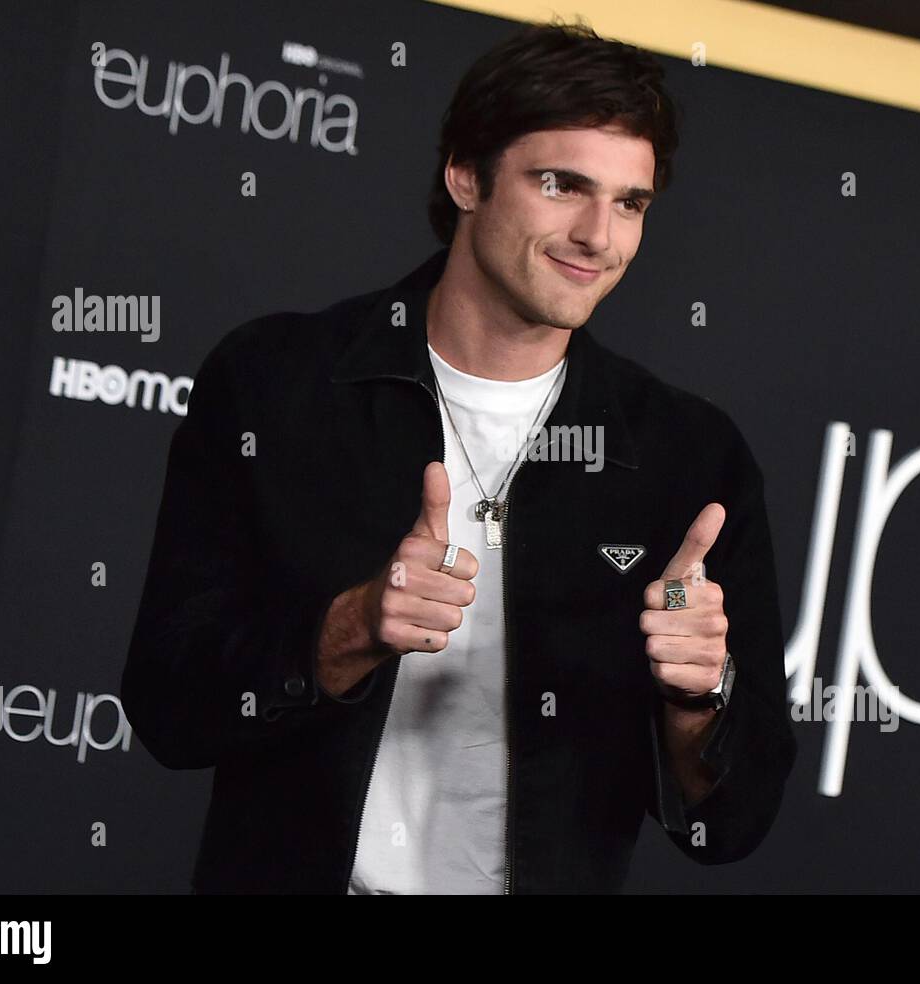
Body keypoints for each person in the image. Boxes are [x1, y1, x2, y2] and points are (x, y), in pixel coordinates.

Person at [121, 17, 797, 894]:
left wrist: (698, 697)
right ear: (466, 175)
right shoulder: (277, 384)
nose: (600, 235)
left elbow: (730, 827)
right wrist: (352, 629)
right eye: (562, 185)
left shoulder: (689, 460)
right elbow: (170, 709)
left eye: (630, 202)